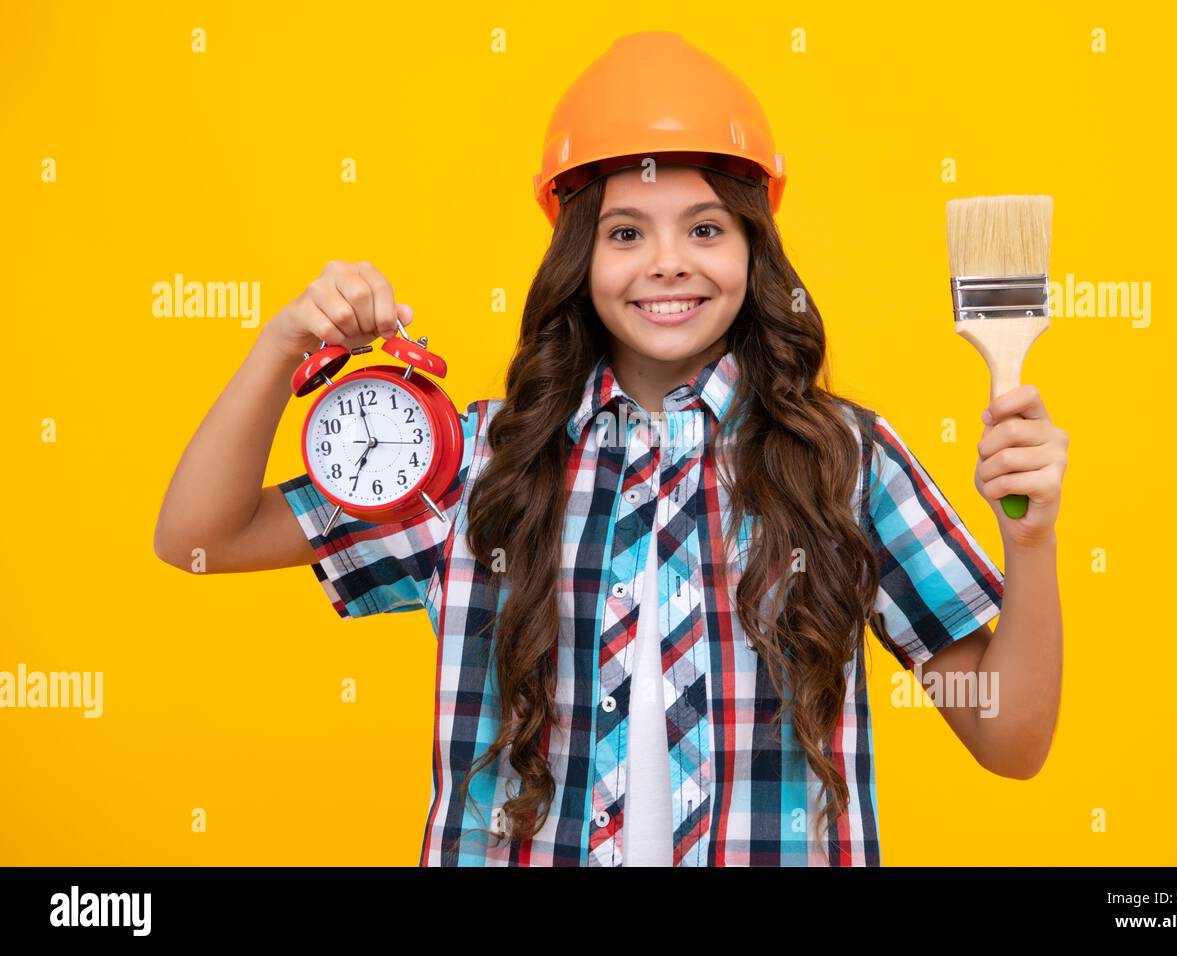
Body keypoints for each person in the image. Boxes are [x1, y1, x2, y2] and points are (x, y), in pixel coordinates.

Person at [154, 31, 1066, 867]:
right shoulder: (473, 462)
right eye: (626, 232)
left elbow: (1012, 743)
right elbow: (203, 536)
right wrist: (283, 346)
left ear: (756, 249)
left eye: (705, 228)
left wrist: (1030, 544)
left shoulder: (844, 462)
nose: (668, 261)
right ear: (577, 260)